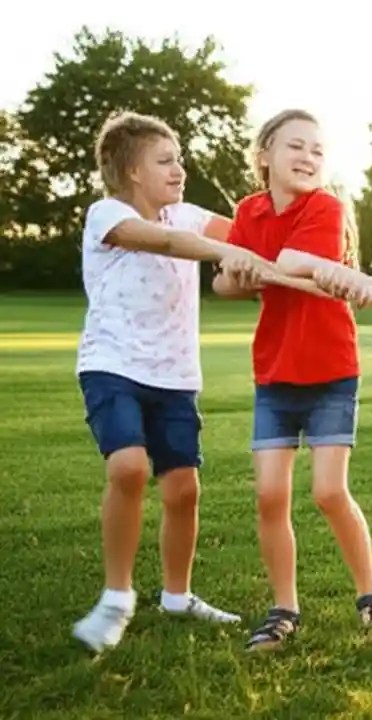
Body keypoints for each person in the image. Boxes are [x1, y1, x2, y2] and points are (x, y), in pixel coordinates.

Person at [72, 111, 272, 652]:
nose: (179, 169)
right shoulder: (106, 214)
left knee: (183, 488)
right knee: (130, 467)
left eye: (179, 158)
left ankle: (178, 597)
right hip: (112, 364)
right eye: (165, 161)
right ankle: (116, 598)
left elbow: (249, 236)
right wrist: (227, 253)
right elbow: (161, 242)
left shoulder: (185, 213)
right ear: (133, 171)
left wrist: (283, 237)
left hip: (175, 374)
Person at [212, 109, 372, 650]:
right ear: (264, 155)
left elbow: (297, 264)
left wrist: (255, 267)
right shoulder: (249, 210)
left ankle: (371, 596)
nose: (309, 157)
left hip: (330, 371)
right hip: (274, 371)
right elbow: (224, 283)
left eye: (317, 149)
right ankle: (283, 609)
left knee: (329, 491)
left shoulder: (326, 206)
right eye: (296, 146)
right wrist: (236, 275)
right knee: (270, 495)